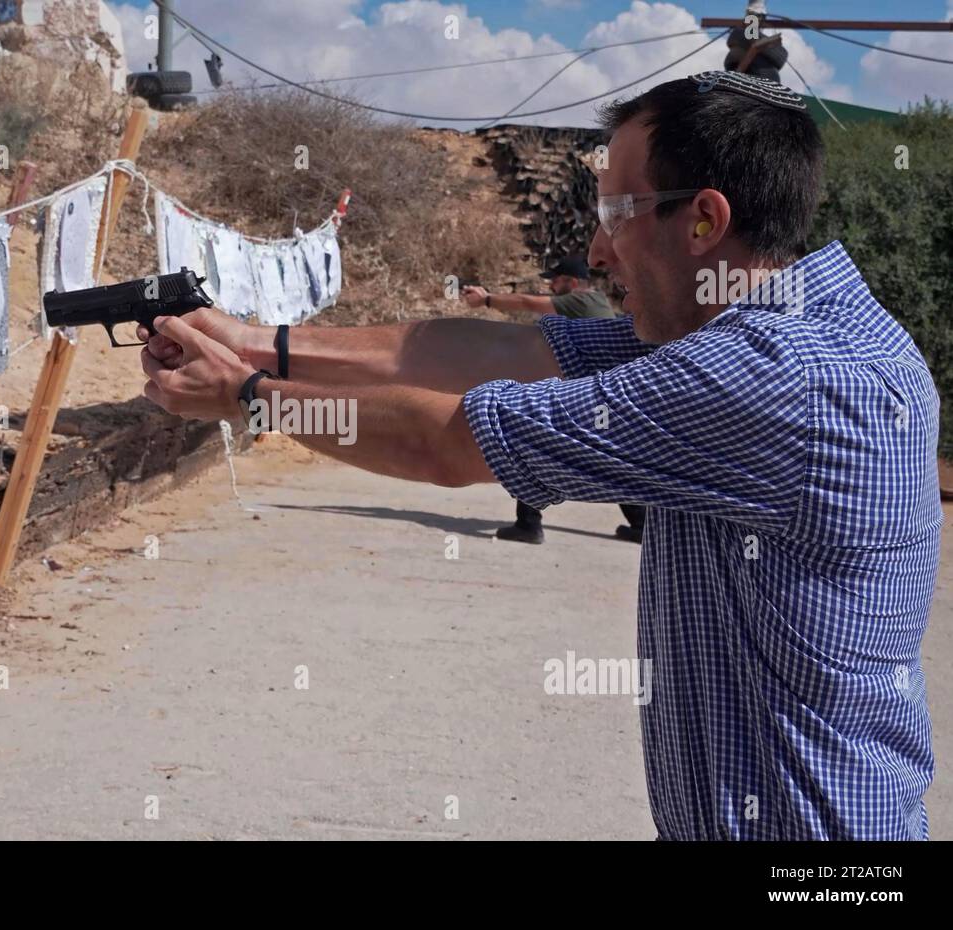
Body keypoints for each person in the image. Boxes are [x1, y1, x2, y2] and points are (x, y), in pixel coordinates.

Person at [136, 73, 940, 840]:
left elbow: (446, 441)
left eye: (618, 213)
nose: (597, 251)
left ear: (704, 221)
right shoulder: (792, 329)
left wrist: (249, 395)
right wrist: (256, 341)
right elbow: (512, 352)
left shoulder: (771, 380)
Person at [461, 255, 646, 544]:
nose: (552, 285)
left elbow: (526, 303)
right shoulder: (591, 303)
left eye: (556, 281)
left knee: (533, 443)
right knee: (611, 461)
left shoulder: (583, 301)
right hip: (601, 399)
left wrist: (486, 300)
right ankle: (641, 524)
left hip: (591, 397)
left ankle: (528, 525)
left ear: (572, 283)